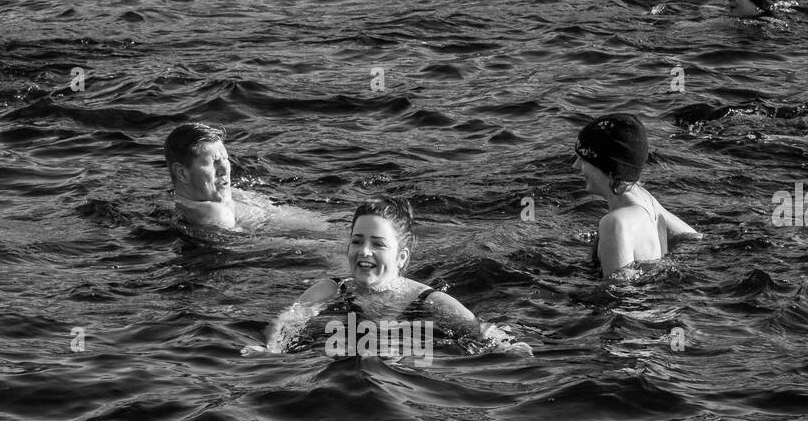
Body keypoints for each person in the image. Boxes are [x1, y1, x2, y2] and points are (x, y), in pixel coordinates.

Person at [243, 197, 531, 356]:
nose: (364, 252)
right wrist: (270, 351)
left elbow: (479, 329)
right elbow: (287, 320)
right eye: (357, 241)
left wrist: (507, 347)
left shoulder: (429, 299)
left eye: (378, 244)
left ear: (401, 257)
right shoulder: (329, 289)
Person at [573, 113, 699, 278]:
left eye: (583, 159)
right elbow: (695, 239)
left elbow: (619, 297)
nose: (575, 166)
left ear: (610, 168)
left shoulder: (615, 223)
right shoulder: (647, 201)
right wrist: (667, 264)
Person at [163, 122, 272, 231]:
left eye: (225, 158)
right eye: (213, 162)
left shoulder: (177, 202)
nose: (225, 170)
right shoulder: (216, 215)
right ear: (181, 173)